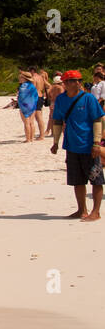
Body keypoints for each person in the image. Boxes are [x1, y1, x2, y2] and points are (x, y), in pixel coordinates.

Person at [50, 70, 105, 220]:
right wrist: (55, 142)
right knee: (77, 180)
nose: (67, 84)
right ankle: (82, 210)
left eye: (71, 81)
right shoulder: (61, 99)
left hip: (89, 146)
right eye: (66, 82)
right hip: (71, 145)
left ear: (78, 82)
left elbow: (98, 120)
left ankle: (96, 212)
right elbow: (57, 121)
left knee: (96, 179)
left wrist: (96, 143)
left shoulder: (88, 99)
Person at [17, 71, 40, 142]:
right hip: (32, 105)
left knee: (26, 123)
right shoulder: (32, 86)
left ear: (24, 78)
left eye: (21, 77)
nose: (20, 79)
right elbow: (36, 96)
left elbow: (21, 97)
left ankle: (28, 139)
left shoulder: (23, 86)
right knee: (31, 122)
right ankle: (31, 138)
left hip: (25, 105)